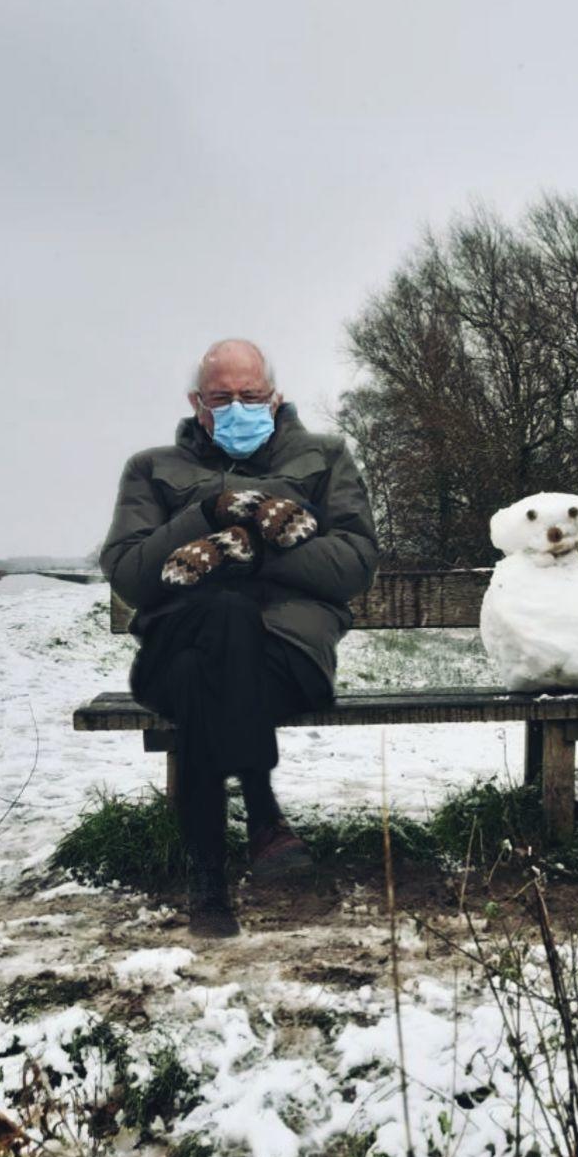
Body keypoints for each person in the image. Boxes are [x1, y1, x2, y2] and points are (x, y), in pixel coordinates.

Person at [99, 339, 379, 937]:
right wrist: (208, 512)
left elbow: (354, 565)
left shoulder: (325, 457)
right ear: (196, 403)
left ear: (274, 397)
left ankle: (208, 879)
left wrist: (250, 553)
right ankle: (261, 813)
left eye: (250, 396)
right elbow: (130, 576)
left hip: (287, 658)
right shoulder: (150, 468)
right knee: (218, 623)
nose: (237, 408)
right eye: (221, 398)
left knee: (206, 666)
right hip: (174, 647)